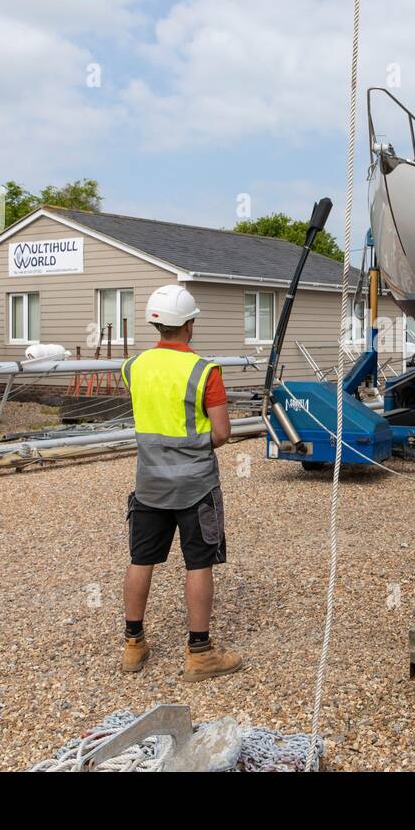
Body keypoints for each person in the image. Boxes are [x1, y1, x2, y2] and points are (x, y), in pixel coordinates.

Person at [119, 284, 241, 681]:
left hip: (149, 483)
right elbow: (221, 433)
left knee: (141, 560)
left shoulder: (133, 367)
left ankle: (133, 646)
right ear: (189, 324)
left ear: (157, 324)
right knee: (198, 563)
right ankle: (200, 655)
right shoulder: (205, 371)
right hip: (195, 486)